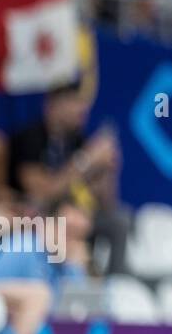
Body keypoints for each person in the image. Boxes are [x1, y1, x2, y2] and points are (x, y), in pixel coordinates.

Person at [9, 83, 130, 275]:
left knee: (118, 220)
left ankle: (116, 283)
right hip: (38, 216)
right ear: (52, 106)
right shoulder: (29, 138)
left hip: (74, 215)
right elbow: (42, 194)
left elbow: (108, 204)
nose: (82, 109)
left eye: (82, 103)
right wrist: (86, 160)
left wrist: (109, 171)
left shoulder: (78, 140)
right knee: (66, 225)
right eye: (74, 102)